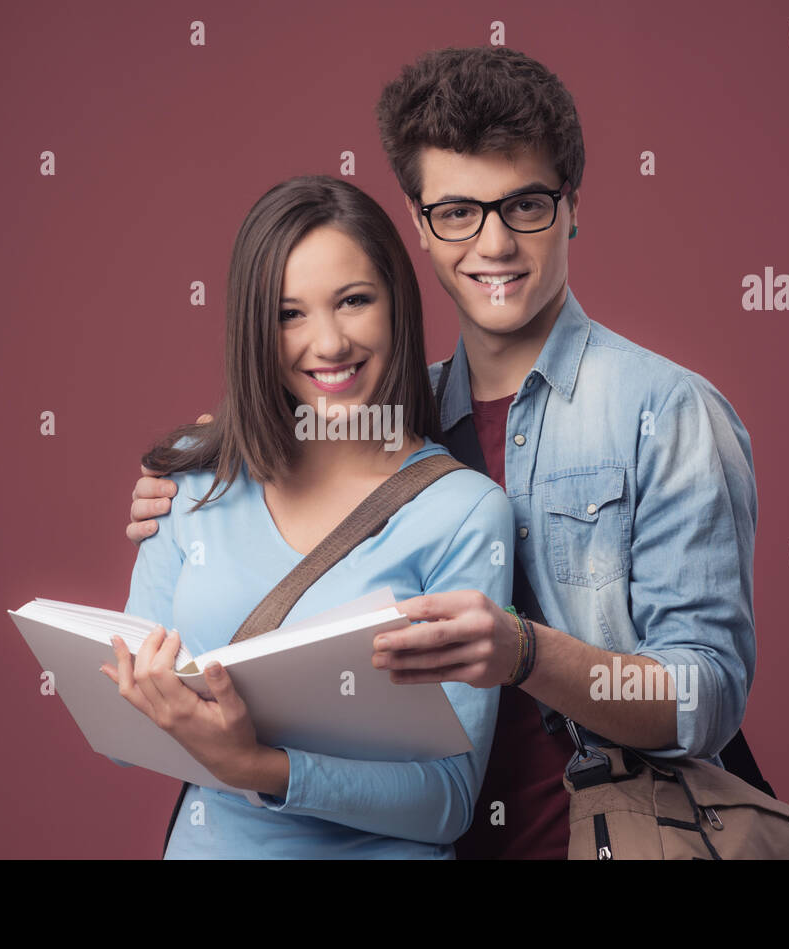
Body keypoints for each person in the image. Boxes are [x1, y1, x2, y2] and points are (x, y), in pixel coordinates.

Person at [128, 46, 758, 859]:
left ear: (572, 206)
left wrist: (526, 652)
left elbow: (704, 696)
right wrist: (185, 482)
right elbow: (254, 468)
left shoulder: (664, 411)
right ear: (420, 224)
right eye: (458, 211)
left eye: (525, 204)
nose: (492, 244)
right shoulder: (382, 417)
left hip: (593, 843)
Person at [102, 174, 514, 859]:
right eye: (289, 314)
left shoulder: (464, 511)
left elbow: (449, 800)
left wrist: (259, 769)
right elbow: (127, 729)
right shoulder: (193, 476)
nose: (327, 343)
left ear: (396, 307)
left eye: (354, 301)